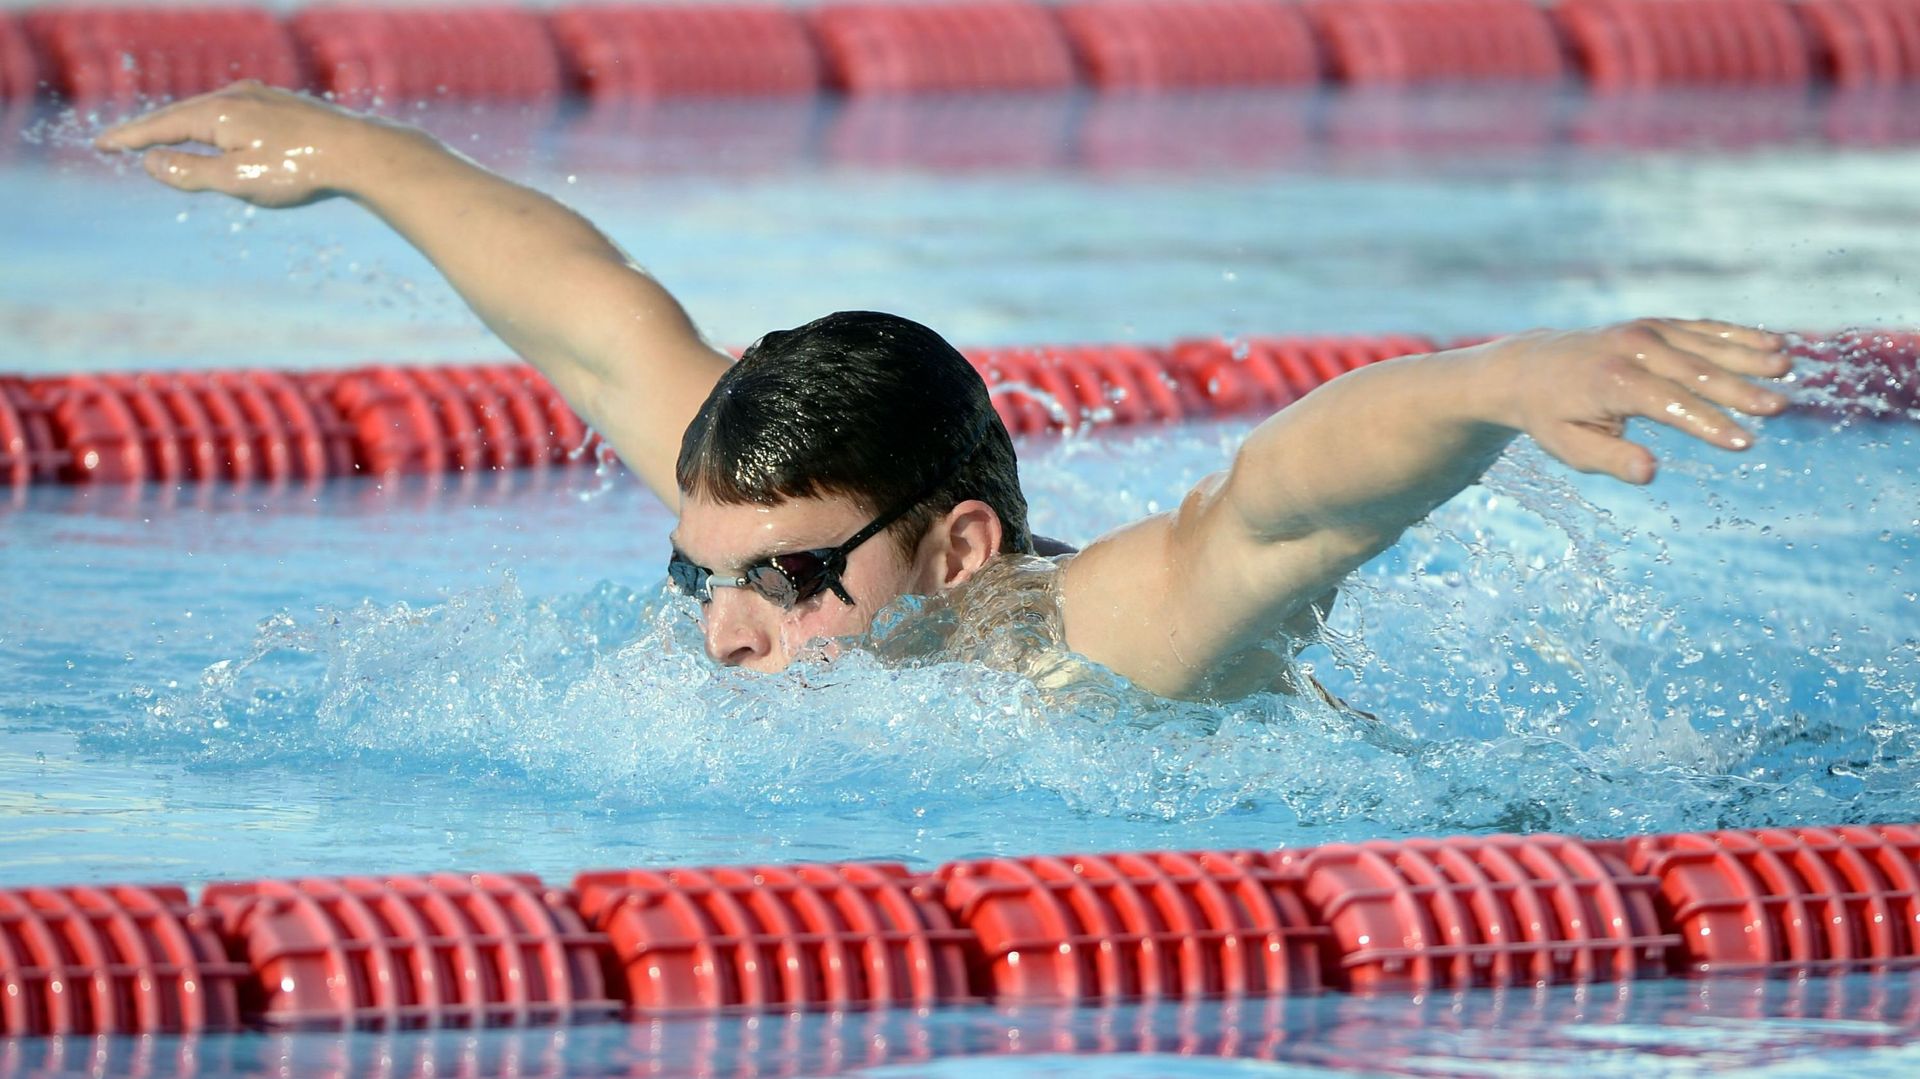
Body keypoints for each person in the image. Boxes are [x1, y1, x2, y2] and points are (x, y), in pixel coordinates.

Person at [97, 82, 1793, 702]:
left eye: (786, 583)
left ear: (962, 545)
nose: (727, 633)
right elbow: (596, 319)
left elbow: (1281, 495)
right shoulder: (766, 504)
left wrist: (1500, 379)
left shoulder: (1094, 647)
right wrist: (348, 149)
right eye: (703, 575)